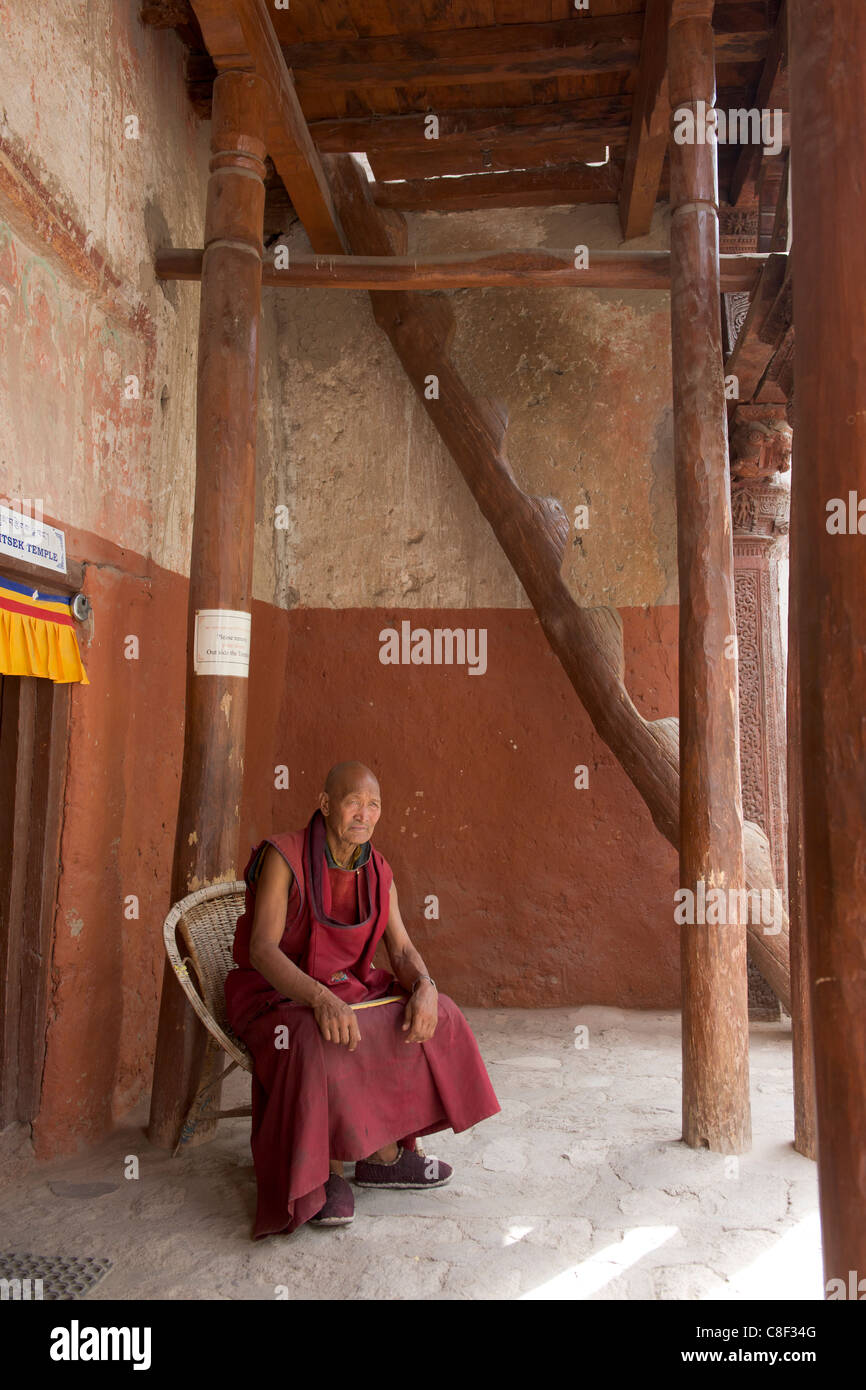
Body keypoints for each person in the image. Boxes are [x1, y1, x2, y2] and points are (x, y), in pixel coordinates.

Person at [225, 760, 501, 1237]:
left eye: (374, 805)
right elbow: (263, 951)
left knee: (434, 1017)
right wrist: (318, 997)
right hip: (276, 992)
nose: (364, 813)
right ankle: (322, 1173)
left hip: (348, 986)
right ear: (326, 803)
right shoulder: (283, 856)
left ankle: (384, 1155)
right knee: (317, 1039)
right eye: (353, 801)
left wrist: (426, 987)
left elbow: (402, 948)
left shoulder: (377, 870)